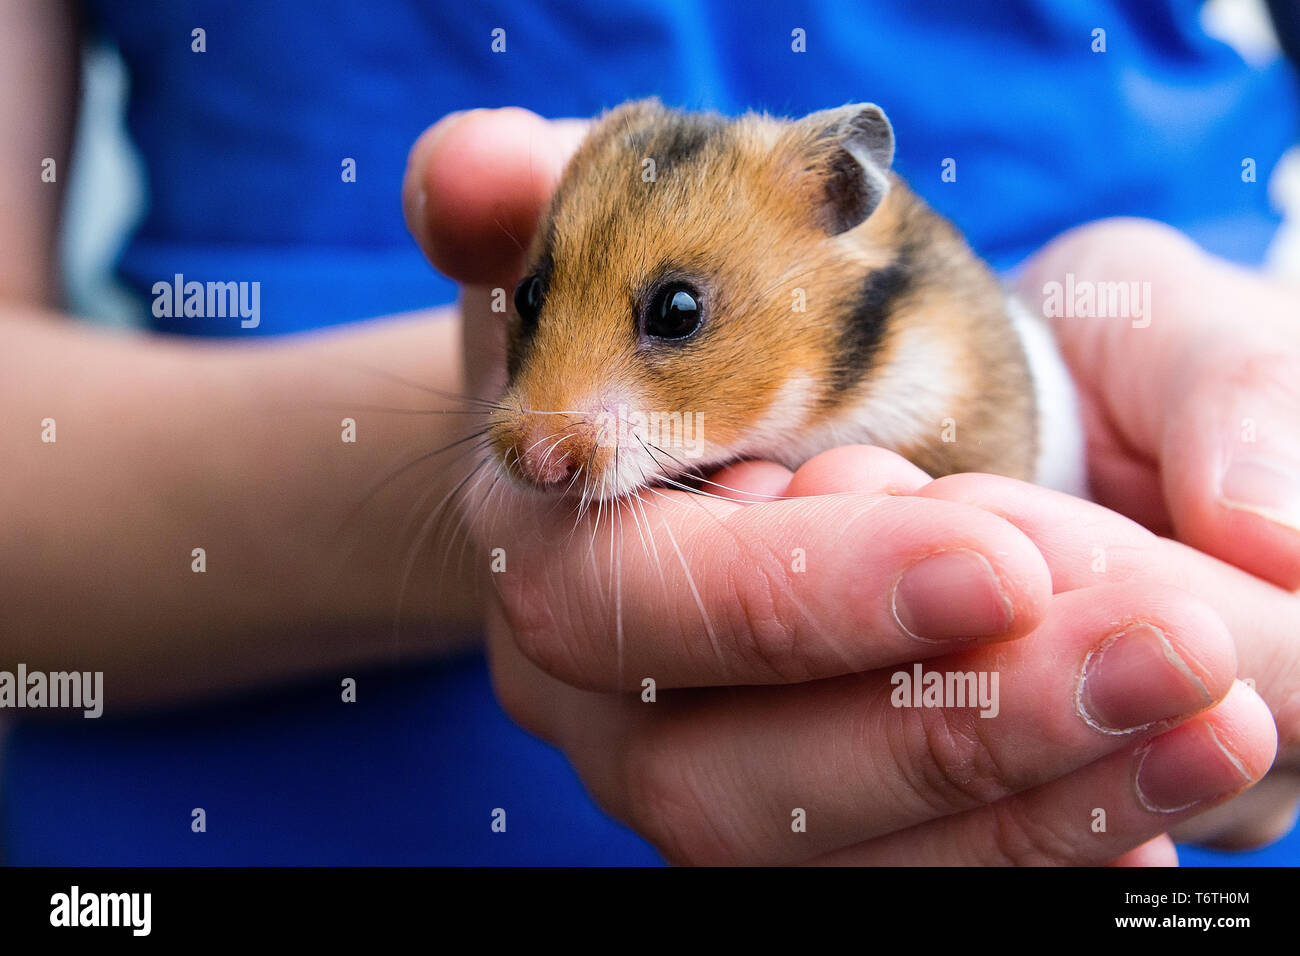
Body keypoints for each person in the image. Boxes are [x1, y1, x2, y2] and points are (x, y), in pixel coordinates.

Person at [2, 0, 1299, 865]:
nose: (543, 429)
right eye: (536, 309)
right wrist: (484, 540)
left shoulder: (914, 332)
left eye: (674, 314)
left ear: (841, 204)